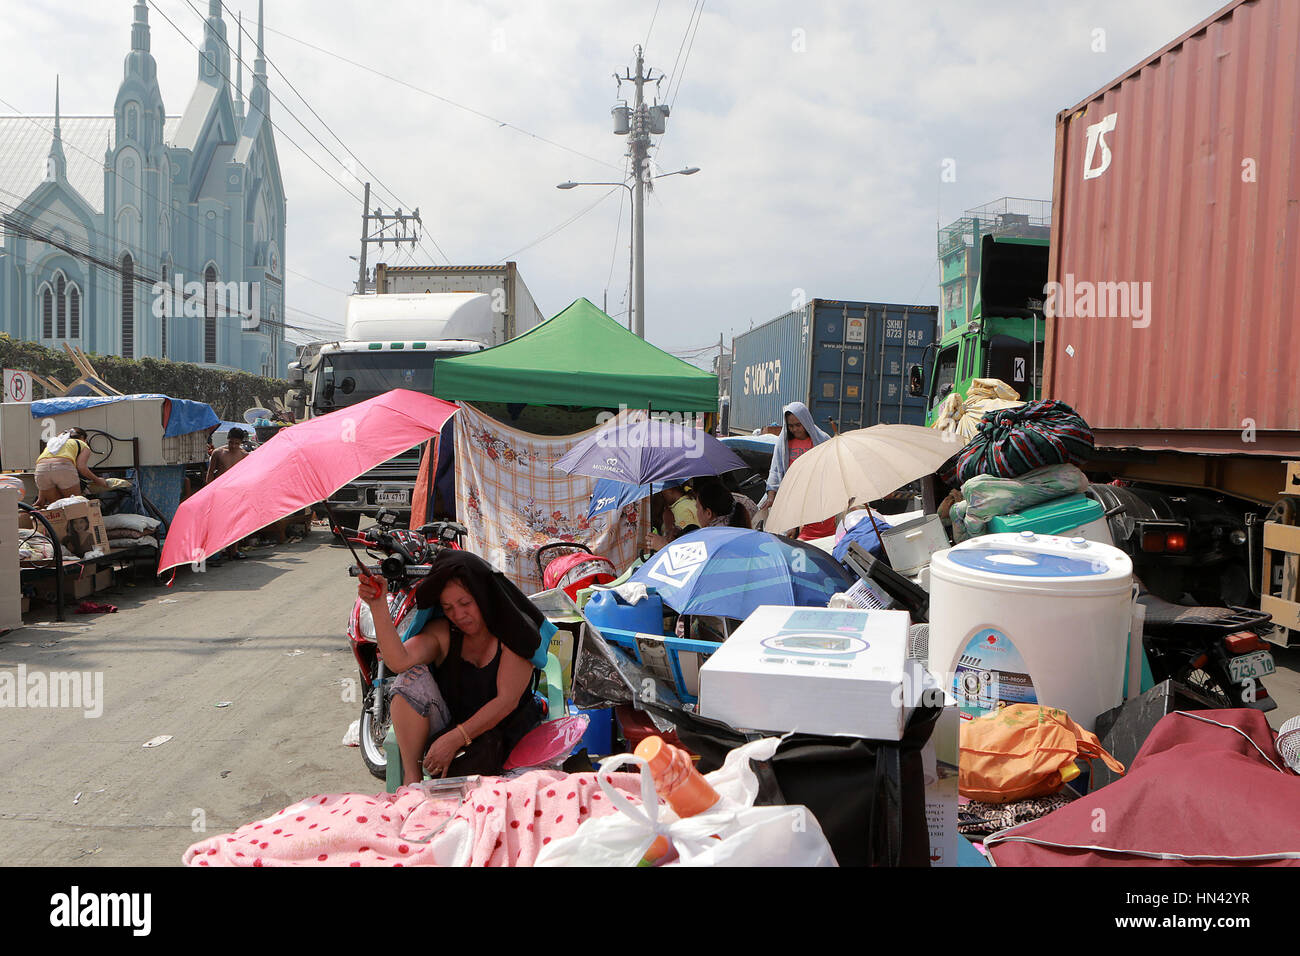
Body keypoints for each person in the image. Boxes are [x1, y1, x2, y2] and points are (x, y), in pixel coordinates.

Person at [358, 550, 544, 785]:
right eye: (448, 607)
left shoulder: (514, 633)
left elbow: (505, 701)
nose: (458, 615)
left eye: (465, 603)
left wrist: (457, 738)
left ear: (484, 596)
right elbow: (398, 661)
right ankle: (412, 781)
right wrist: (377, 606)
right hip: (453, 725)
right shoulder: (444, 633)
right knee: (408, 681)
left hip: (511, 733)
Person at [759, 402, 835, 539]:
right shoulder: (783, 444)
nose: (795, 429)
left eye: (798, 425)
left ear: (806, 422)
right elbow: (776, 470)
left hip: (815, 498)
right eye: (791, 426)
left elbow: (833, 469)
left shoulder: (822, 440)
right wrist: (771, 496)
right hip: (790, 496)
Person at [207, 428, 250, 560]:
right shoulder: (218, 453)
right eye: (231, 442)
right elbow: (209, 475)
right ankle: (217, 552)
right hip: (220, 493)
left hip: (236, 493)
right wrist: (210, 493)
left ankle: (234, 551)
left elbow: (247, 476)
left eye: (236, 443)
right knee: (219, 523)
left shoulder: (244, 455)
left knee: (235, 523)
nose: (233, 446)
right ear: (228, 440)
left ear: (241, 443)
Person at [34, 428, 106, 506]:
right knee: (75, 505)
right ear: (83, 439)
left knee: (57, 508)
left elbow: (48, 465)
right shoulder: (82, 444)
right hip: (63, 468)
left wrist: (41, 494)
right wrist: (98, 480)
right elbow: (81, 467)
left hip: (40, 470)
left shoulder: (54, 443)